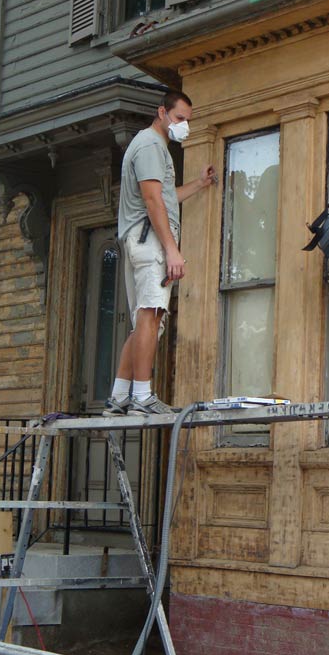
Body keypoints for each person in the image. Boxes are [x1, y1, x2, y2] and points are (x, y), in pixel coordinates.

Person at [103, 90, 217, 416]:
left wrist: (199, 184)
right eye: (179, 118)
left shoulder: (153, 147)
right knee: (150, 315)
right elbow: (152, 201)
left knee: (148, 321)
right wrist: (172, 250)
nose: (184, 126)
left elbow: (164, 197)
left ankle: (119, 397)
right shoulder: (151, 145)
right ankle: (142, 397)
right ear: (162, 112)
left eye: (188, 121)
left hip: (142, 239)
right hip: (149, 240)